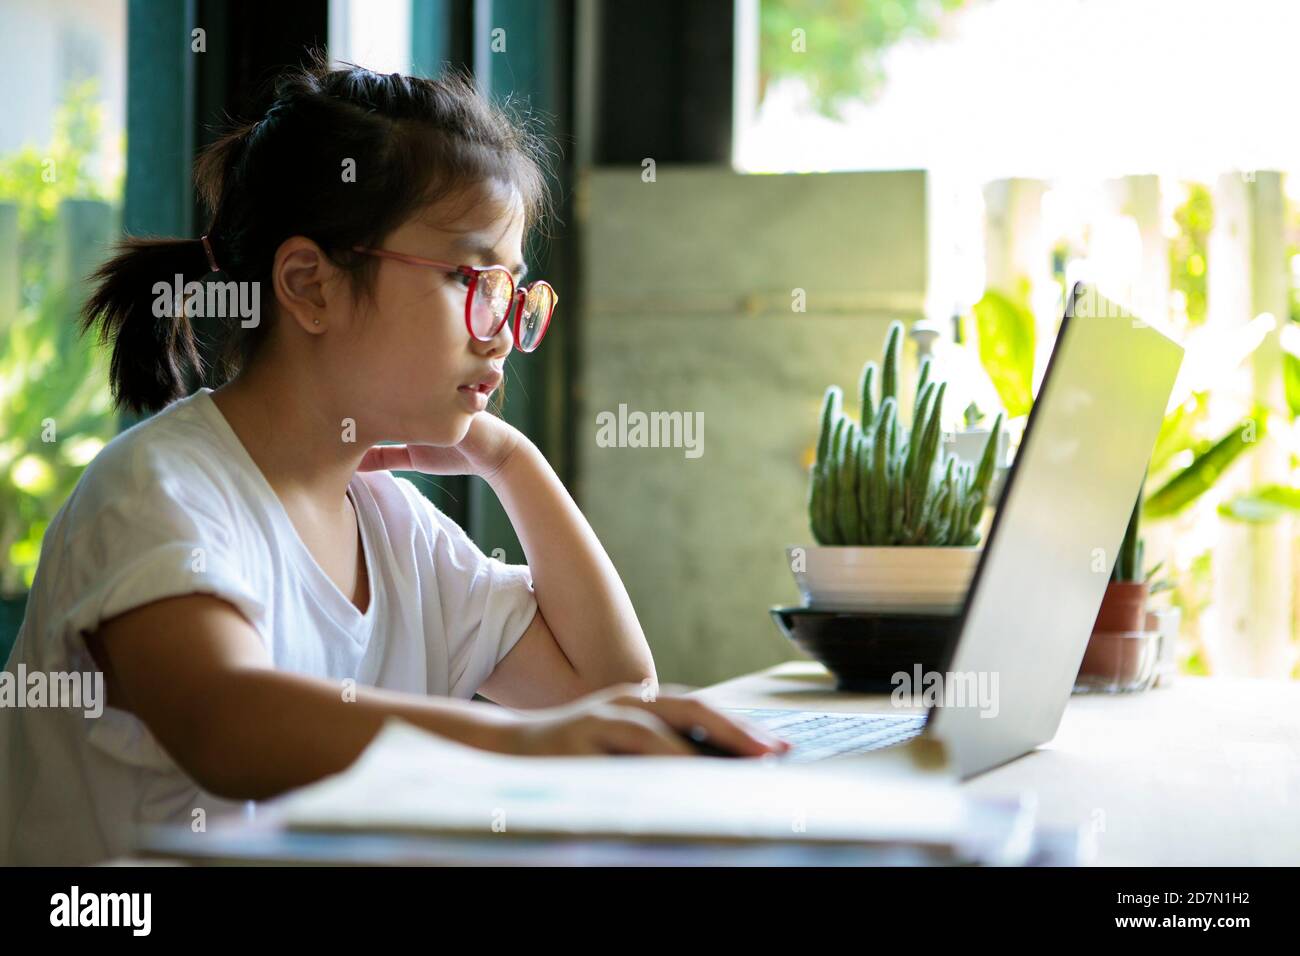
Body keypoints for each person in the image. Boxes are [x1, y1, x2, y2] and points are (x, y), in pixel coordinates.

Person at [0, 59, 787, 865]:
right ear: (310, 285)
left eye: (515, 294)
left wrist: (510, 461)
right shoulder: (160, 490)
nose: (503, 331)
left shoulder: (394, 524)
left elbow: (613, 696)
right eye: (470, 278)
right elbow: (225, 723)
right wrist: (523, 746)